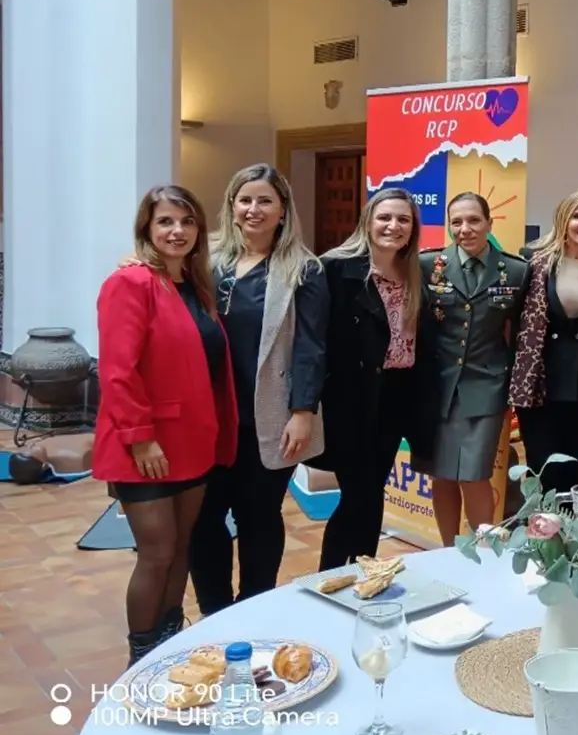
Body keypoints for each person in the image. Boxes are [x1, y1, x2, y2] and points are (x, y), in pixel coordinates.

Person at [93, 185, 236, 664]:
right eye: (166, 222)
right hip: (146, 444)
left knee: (180, 548)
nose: (178, 231)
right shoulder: (130, 283)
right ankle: (140, 655)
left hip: (192, 442)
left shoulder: (195, 285)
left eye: (187, 221)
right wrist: (140, 439)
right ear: (147, 229)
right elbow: (118, 370)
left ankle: (169, 645)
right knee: (156, 553)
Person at [189, 164, 328, 617]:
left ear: (283, 210)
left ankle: (253, 609)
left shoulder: (303, 269)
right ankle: (214, 612)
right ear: (231, 205)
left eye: (265, 200)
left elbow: (311, 346)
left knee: (259, 516)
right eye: (245, 199)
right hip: (210, 417)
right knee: (203, 517)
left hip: (269, 416)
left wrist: (303, 411)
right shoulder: (204, 261)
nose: (254, 209)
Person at [317, 188, 425, 570]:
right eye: (385, 218)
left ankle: (364, 571)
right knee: (358, 493)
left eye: (403, 219)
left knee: (372, 489)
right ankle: (332, 576)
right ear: (368, 222)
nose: (393, 226)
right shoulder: (334, 269)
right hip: (352, 398)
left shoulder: (416, 273)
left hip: (396, 396)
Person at [413, 192, 529, 543]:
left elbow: (520, 332)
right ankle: (448, 551)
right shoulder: (427, 265)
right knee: (442, 475)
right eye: (457, 222)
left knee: (474, 474)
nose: (465, 229)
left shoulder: (516, 270)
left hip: (486, 386)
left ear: (489, 223)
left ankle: (480, 551)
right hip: (436, 387)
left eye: (474, 220)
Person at [510, 187, 578, 493]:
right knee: (542, 468)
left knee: (575, 469)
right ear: (563, 219)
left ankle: (571, 525)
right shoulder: (532, 262)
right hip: (540, 384)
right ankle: (540, 523)